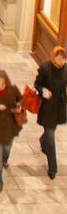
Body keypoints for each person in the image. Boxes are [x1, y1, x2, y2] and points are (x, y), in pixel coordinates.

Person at [0, 69, 22, 191]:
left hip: (11, 126)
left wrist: (19, 106)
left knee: (7, 147)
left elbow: (20, 99)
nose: (0, 86)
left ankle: (5, 159)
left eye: (2, 83)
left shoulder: (13, 89)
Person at [35, 44, 67, 180]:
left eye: (63, 58)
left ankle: (43, 141)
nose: (61, 61)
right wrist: (43, 90)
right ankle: (53, 168)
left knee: (50, 132)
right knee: (51, 134)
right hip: (48, 107)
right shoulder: (45, 68)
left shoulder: (66, 69)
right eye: (59, 58)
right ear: (54, 57)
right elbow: (37, 84)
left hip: (59, 106)